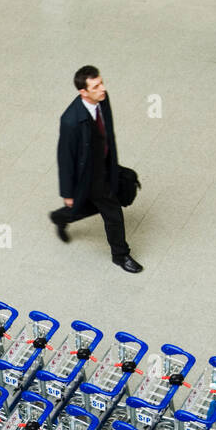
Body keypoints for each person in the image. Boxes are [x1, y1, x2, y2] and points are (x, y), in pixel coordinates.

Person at [51, 66, 143, 274]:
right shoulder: (70, 120)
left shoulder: (103, 99)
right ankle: (121, 255)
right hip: (90, 176)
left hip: (105, 164)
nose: (103, 89)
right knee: (113, 214)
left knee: (92, 206)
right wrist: (67, 192)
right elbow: (65, 157)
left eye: (101, 83)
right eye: (96, 86)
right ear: (83, 92)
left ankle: (61, 217)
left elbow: (107, 131)